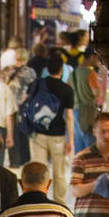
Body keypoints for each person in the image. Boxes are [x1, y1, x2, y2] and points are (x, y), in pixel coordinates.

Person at [23, 51, 75, 204]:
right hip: (57, 135)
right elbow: (70, 116)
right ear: (61, 70)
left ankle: (37, 201)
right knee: (58, 172)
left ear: (47, 69)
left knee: (38, 170)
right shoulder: (66, 89)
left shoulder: (36, 84)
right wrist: (70, 140)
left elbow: (25, 103)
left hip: (38, 133)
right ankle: (59, 203)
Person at [0, 47, 36, 169]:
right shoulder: (29, 72)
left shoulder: (6, 71)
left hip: (7, 104)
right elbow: (33, 89)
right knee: (22, 132)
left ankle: (14, 159)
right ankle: (23, 159)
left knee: (11, 131)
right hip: (22, 105)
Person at [71, 45, 101, 154]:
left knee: (78, 141)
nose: (98, 60)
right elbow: (96, 93)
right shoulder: (90, 73)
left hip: (75, 109)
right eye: (97, 57)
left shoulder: (74, 72)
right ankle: (89, 164)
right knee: (89, 140)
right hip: (87, 110)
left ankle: (78, 165)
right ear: (92, 56)